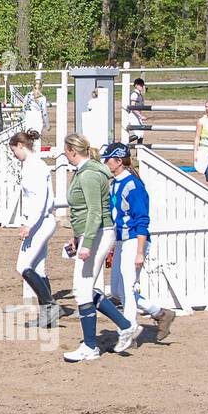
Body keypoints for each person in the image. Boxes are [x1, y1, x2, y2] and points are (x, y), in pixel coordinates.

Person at [61, 133, 135, 362]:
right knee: (83, 289)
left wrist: (87, 243)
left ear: (73, 151)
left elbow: (94, 212)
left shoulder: (89, 175)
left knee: (81, 290)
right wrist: (77, 238)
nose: (65, 155)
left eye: (66, 151)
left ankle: (91, 346)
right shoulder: (86, 172)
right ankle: (124, 325)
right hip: (91, 234)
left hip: (98, 234)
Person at [102, 142, 176, 345]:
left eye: (107, 159)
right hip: (122, 240)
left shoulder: (132, 185)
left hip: (135, 240)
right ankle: (159, 313)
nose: (105, 163)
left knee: (127, 287)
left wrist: (140, 251)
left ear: (118, 161)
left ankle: (127, 333)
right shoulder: (115, 182)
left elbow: (142, 219)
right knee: (118, 290)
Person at [8, 130, 60, 328]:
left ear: (21, 146)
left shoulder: (35, 167)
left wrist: (28, 224)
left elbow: (38, 199)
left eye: (14, 151)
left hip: (40, 222)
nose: (14, 155)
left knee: (22, 266)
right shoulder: (32, 165)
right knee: (38, 268)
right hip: (42, 220)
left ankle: (50, 305)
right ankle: (47, 315)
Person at [126, 78, 147, 145]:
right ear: (136, 85)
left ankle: (139, 152)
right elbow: (133, 107)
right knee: (138, 134)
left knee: (141, 134)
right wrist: (140, 116)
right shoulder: (134, 94)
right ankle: (124, 143)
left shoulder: (139, 94)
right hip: (133, 115)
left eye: (142, 85)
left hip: (136, 115)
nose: (142, 87)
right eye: (140, 85)